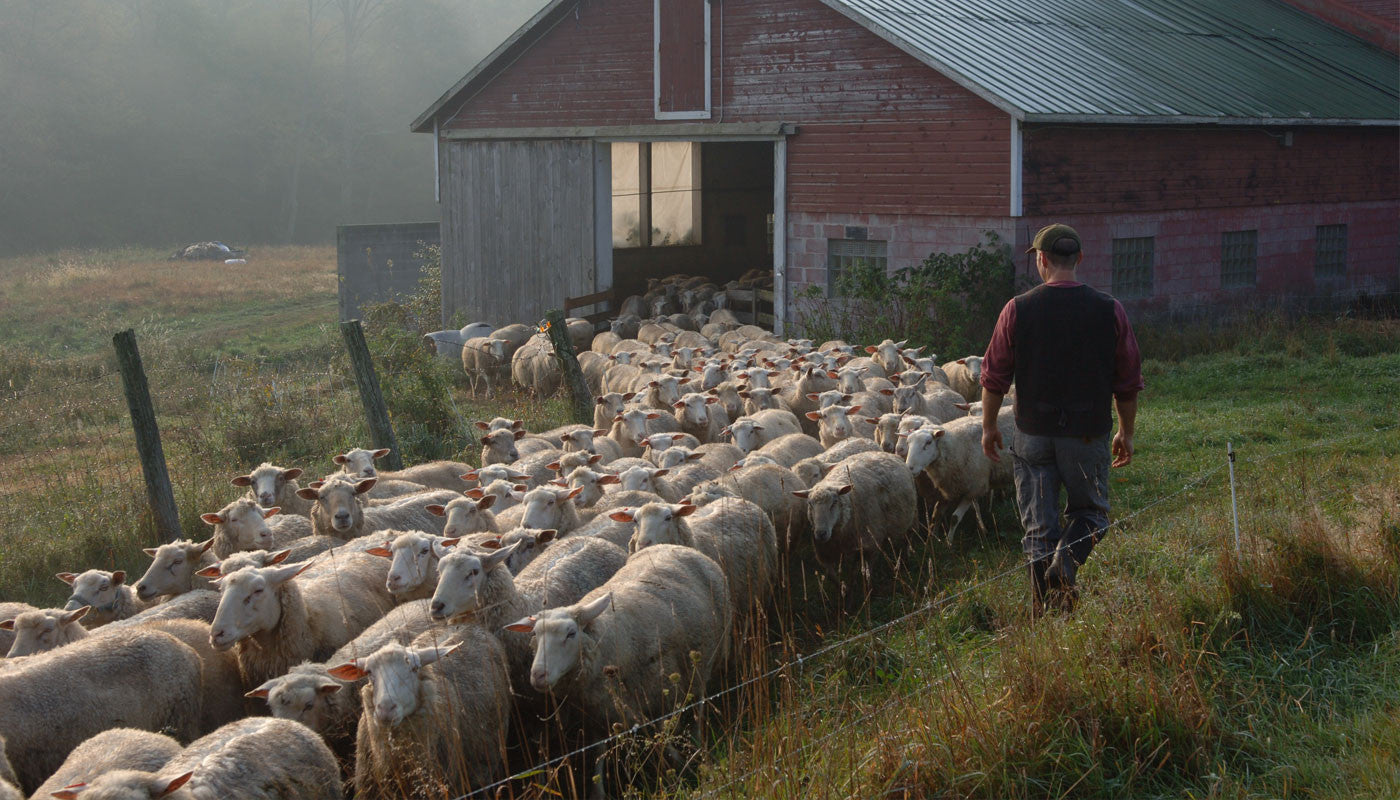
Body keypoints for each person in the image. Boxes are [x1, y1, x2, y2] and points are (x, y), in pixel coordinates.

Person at [979, 224, 1144, 613]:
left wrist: (988, 427)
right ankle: (1066, 565)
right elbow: (1128, 380)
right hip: (1087, 434)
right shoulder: (1110, 309)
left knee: (1038, 528)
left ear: (1041, 260)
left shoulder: (1017, 309)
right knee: (1090, 514)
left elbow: (994, 376)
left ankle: (1043, 611)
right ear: (1080, 259)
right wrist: (1127, 431)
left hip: (1033, 432)